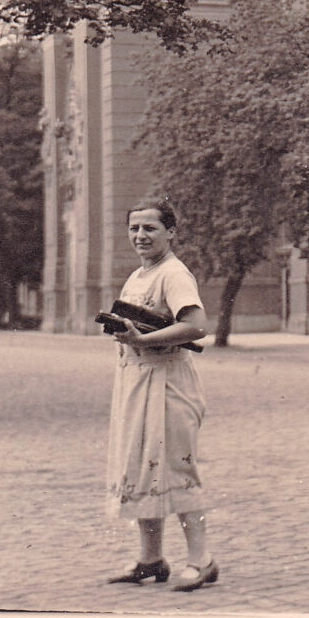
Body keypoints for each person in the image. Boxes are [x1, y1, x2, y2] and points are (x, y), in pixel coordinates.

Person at [104, 197, 215, 592]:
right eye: (134, 228)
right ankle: (150, 559)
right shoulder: (138, 276)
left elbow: (197, 326)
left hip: (169, 383)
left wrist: (144, 336)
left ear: (171, 232)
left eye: (150, 228)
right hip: (137, 381)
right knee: (140, 466)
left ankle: (202, 560)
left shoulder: (174, 273)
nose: (140, 235)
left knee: (176, 466)